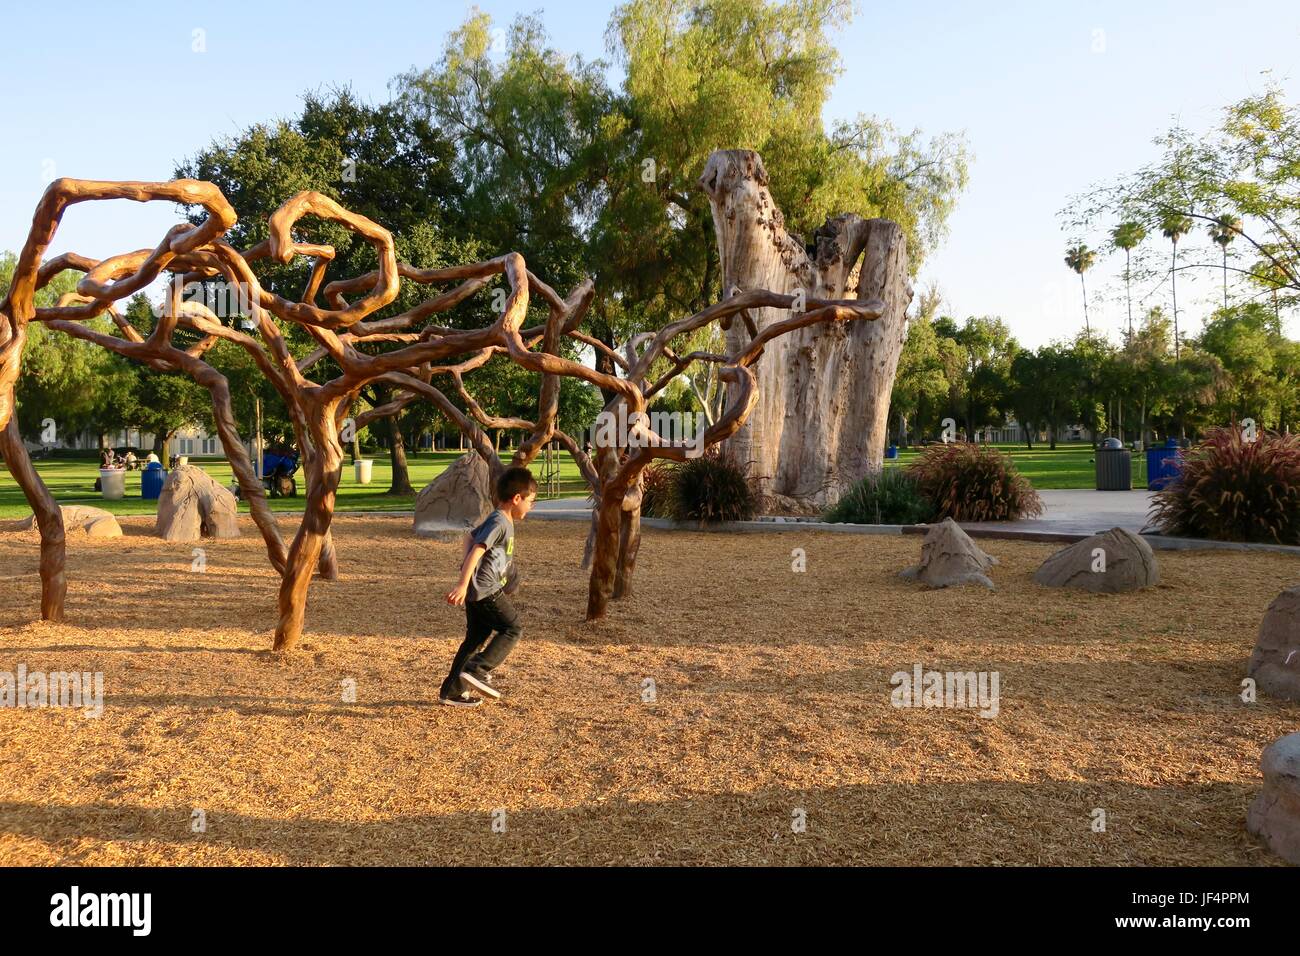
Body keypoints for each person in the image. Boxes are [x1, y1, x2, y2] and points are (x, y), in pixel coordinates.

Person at [439, 467, 538, 708]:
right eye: (530, 501)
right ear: (517, 499)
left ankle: (451, 691)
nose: (531, 507)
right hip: (485, 590)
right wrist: (464, 582)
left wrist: (468, 574)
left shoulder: (500, 519)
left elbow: (468, 537)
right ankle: (478, 669)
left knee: (474, 639)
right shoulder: (499, 521)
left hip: (479, 588)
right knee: (513, 628)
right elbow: (478, 548)